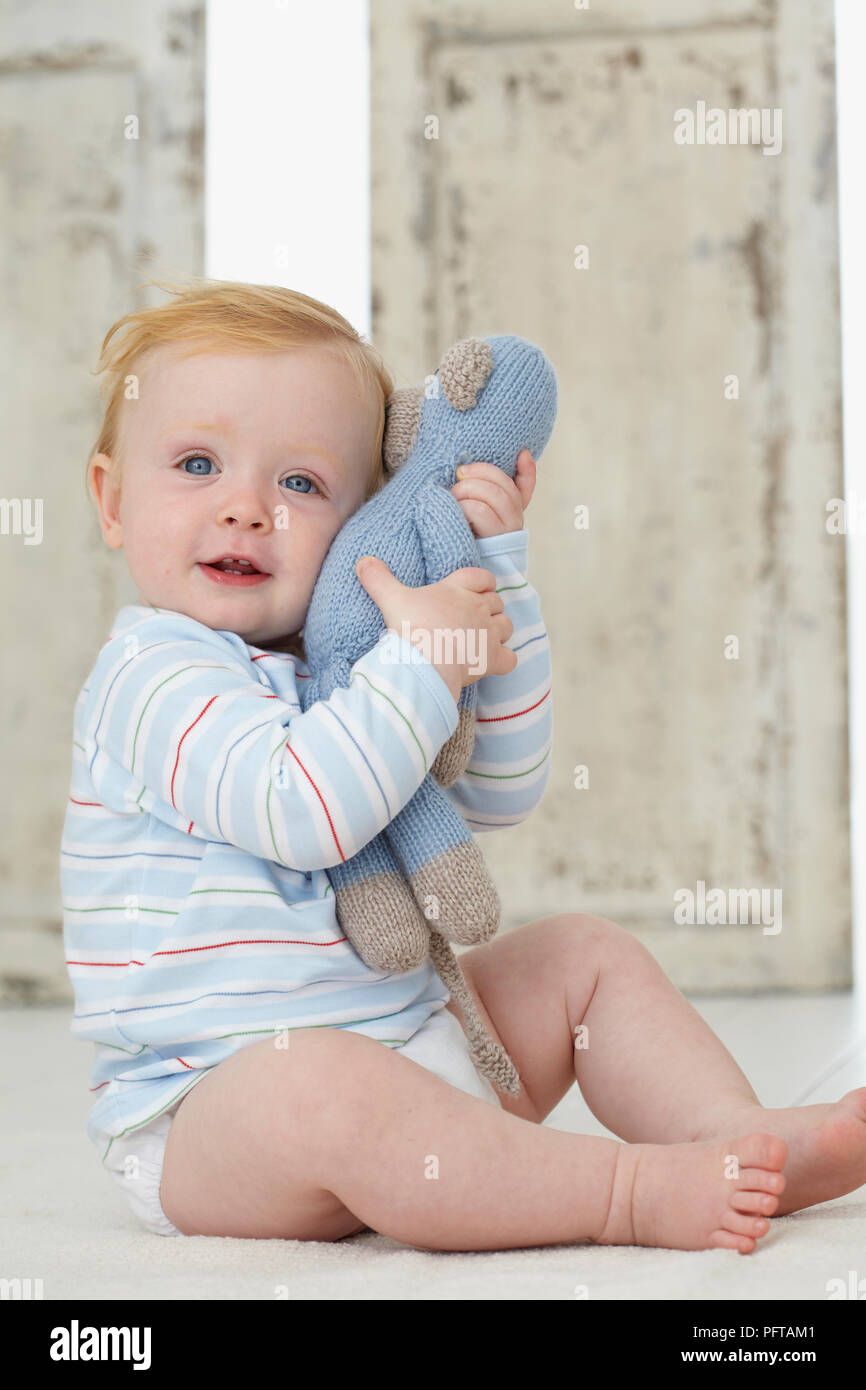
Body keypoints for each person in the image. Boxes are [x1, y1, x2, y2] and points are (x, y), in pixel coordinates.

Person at [61, 275, 866, 1252]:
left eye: (301, 483)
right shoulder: (151, 671)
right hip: (217, 1118)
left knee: (583, 957)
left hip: (423, 1045)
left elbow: (498, 786)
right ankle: (625, 1191)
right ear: (111, 499)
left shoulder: (352, 656)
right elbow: (300, 806)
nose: (245, 509)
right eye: (196, 463)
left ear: (366, 516)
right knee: (318, 1080)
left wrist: (493, 575)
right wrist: (418, 656)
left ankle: (735, 1135)